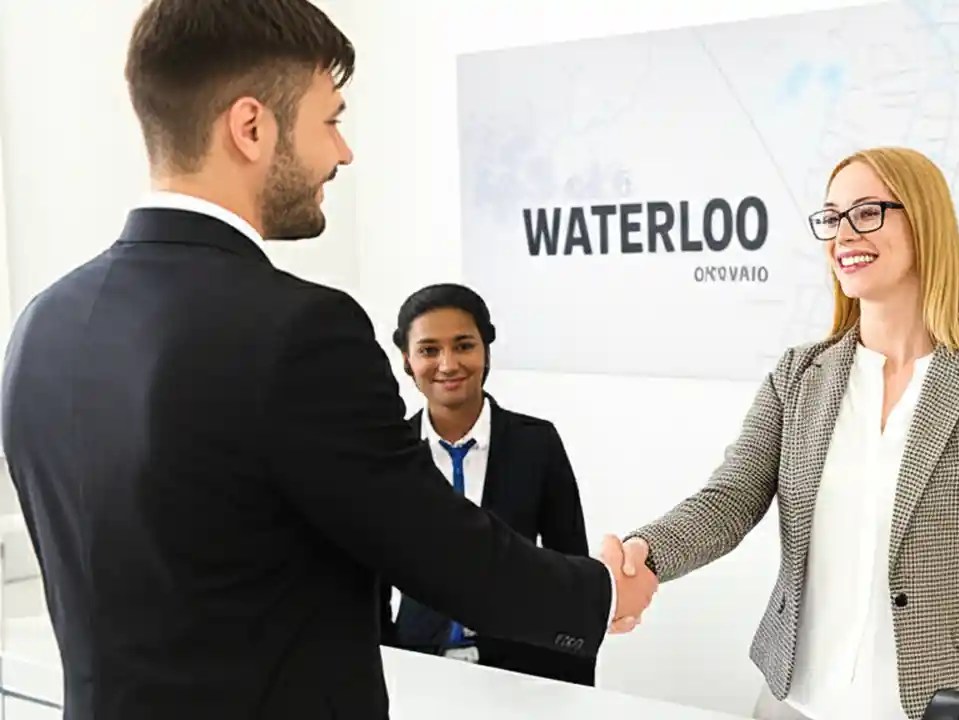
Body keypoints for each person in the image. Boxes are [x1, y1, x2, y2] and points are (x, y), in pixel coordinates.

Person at [0, 1, 655, 718]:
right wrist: (602, 594)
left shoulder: (41, 326)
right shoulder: (302, 330)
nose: (343, 154)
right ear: (251, 127)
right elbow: (441, 551)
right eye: (331, 120)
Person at [602, 147, 959, 720]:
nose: (844, 233)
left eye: (868, 212)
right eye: (832, 217)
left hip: (939, 707)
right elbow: (730, 498)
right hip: (796, 702)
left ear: (924, 220)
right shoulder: (799, 375)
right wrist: (645, 555)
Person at [378, 283, 597, 686]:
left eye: (463, 345)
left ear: (486, 351)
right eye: (429, 350)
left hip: (523, 671)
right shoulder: (390, 452)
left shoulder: (537, 443)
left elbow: (572, 566)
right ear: (407, 361)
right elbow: (369, 572)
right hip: (418, 668)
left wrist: (571, 678)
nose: (448, 364)